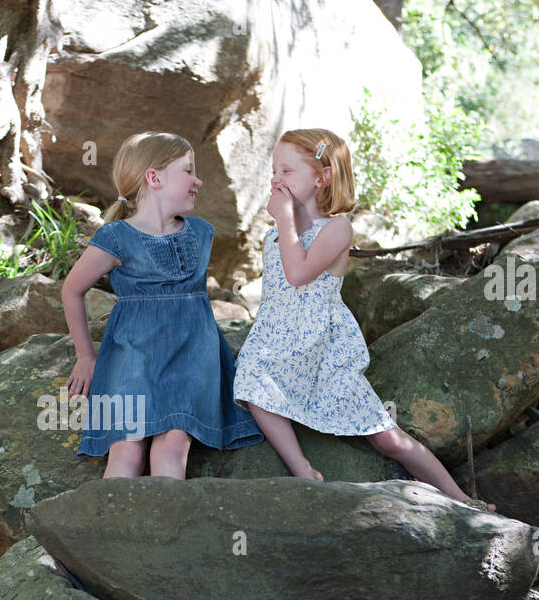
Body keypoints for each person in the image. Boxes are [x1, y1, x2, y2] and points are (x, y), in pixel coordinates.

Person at [232, 128, 495, 511]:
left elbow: (299, 274)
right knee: (253, 382)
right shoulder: (274, 234)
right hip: (275, 336)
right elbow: (278, 291)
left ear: (321, 178)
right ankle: (302, 469)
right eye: (274, 169)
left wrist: (285, 220)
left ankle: (461, 498)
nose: (275, 178)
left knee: (386, 437)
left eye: (286, 171)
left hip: (320, 343)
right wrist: (283, 224)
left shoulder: (336, 227)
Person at [60, 131, 263, 478]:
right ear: (153, 178)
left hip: (192, 359)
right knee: (125, 448)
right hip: (132, 357)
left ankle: (161, 526)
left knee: (172, 444)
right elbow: (71, 290)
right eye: (188, 170)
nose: (198, 181)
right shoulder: (116, 236)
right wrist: (85, 356)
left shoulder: (201, 232)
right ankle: (109, 531)